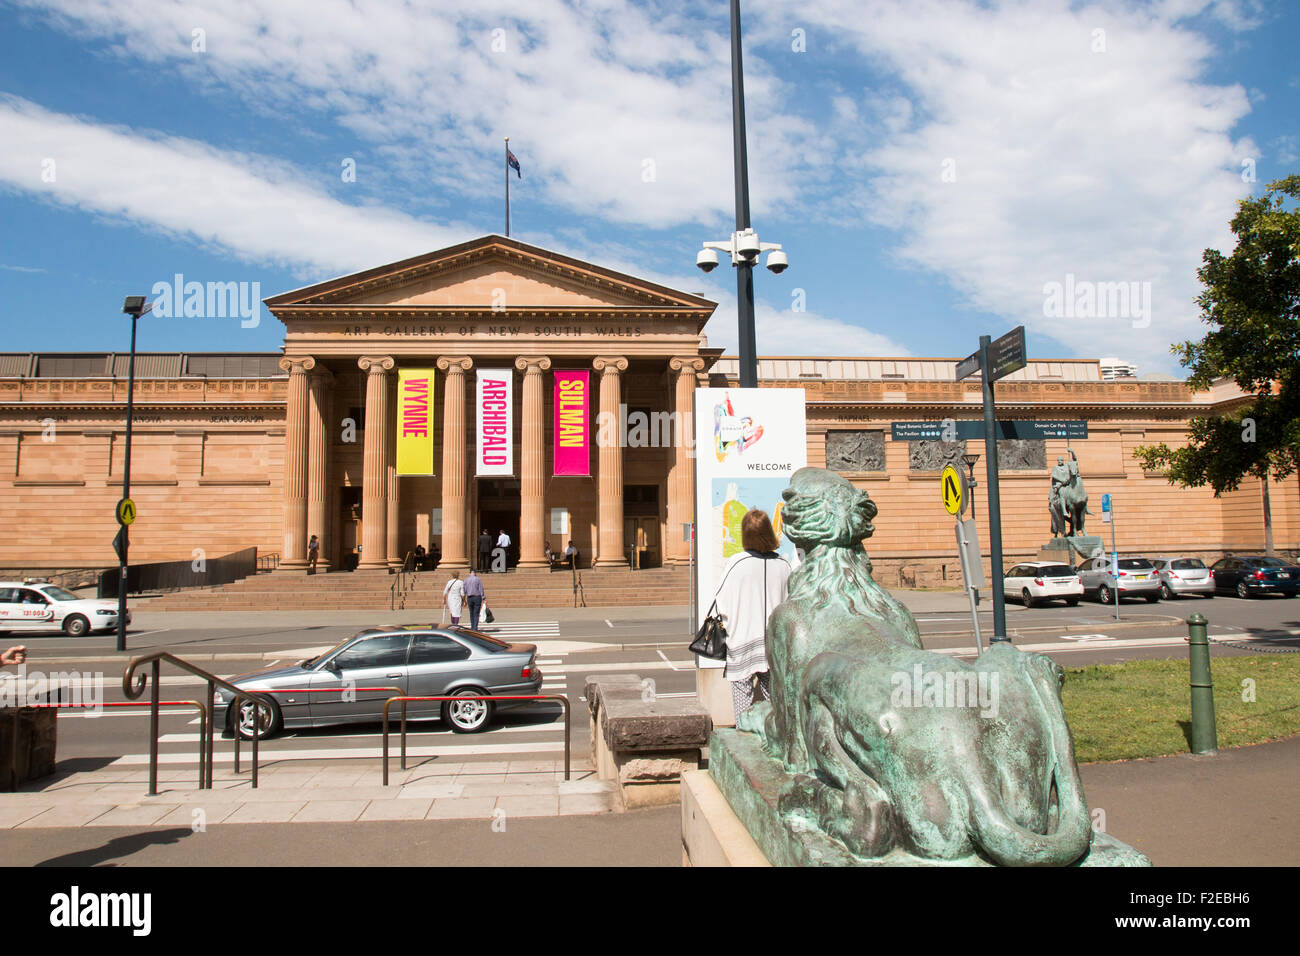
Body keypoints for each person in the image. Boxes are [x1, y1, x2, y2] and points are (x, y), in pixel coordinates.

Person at [711, 509, 790, 718]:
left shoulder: (737, 563)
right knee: (774, 702)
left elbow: (721, 602)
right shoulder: (783, 565)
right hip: (773, 644)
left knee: (742, 706)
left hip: (742, 640)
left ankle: (742, 739)